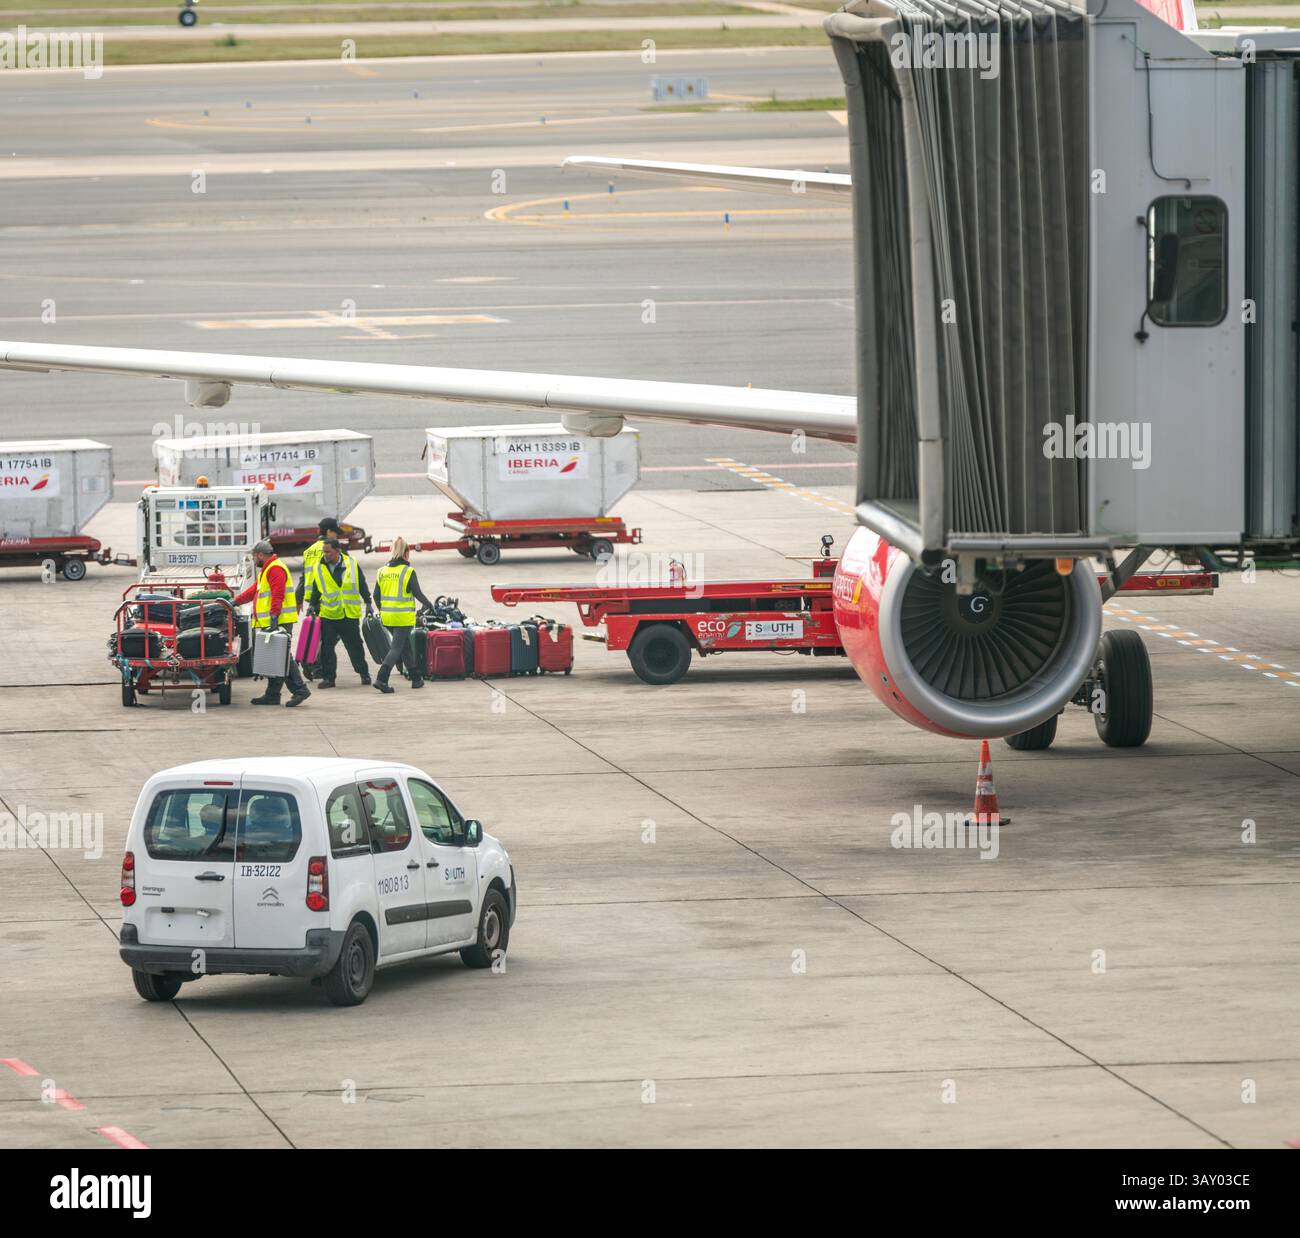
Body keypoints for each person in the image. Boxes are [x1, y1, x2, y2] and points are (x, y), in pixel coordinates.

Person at [232, 539, 311, 707]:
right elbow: (254, 591)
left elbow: (278, 594)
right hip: (273, 621)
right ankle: (273, 694)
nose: (253, 560)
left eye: (254, 556)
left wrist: (274, 617)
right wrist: (235, 602)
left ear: (260, 554)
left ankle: (300, 689)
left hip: (279, 621)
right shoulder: (267, 569)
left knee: (282, 658)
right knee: (276, 658)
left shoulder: (275, 568)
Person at [303, 537, 374, 689]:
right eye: (324, 552)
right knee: (327, 648)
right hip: (329, 614)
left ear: (338, 551)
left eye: (328, 552)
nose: (325, 555)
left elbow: (361, 583)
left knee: (355, 647)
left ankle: (364, 673)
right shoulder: (319, 567)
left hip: (349, 614)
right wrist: (311, 605)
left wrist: (368, 602)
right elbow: (316, 589)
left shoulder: (351, 563)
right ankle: (329, 679)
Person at [373, 536, 436, 693]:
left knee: (404, 646)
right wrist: (429, 605)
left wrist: (383, 609)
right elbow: (417, 593)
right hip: (402, 617)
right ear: (406, 553)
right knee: (396, 647)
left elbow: (375, 595)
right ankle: (382, 678)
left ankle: (416, 678)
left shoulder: (382, 571)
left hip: (387, 617)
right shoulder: (407, 572)